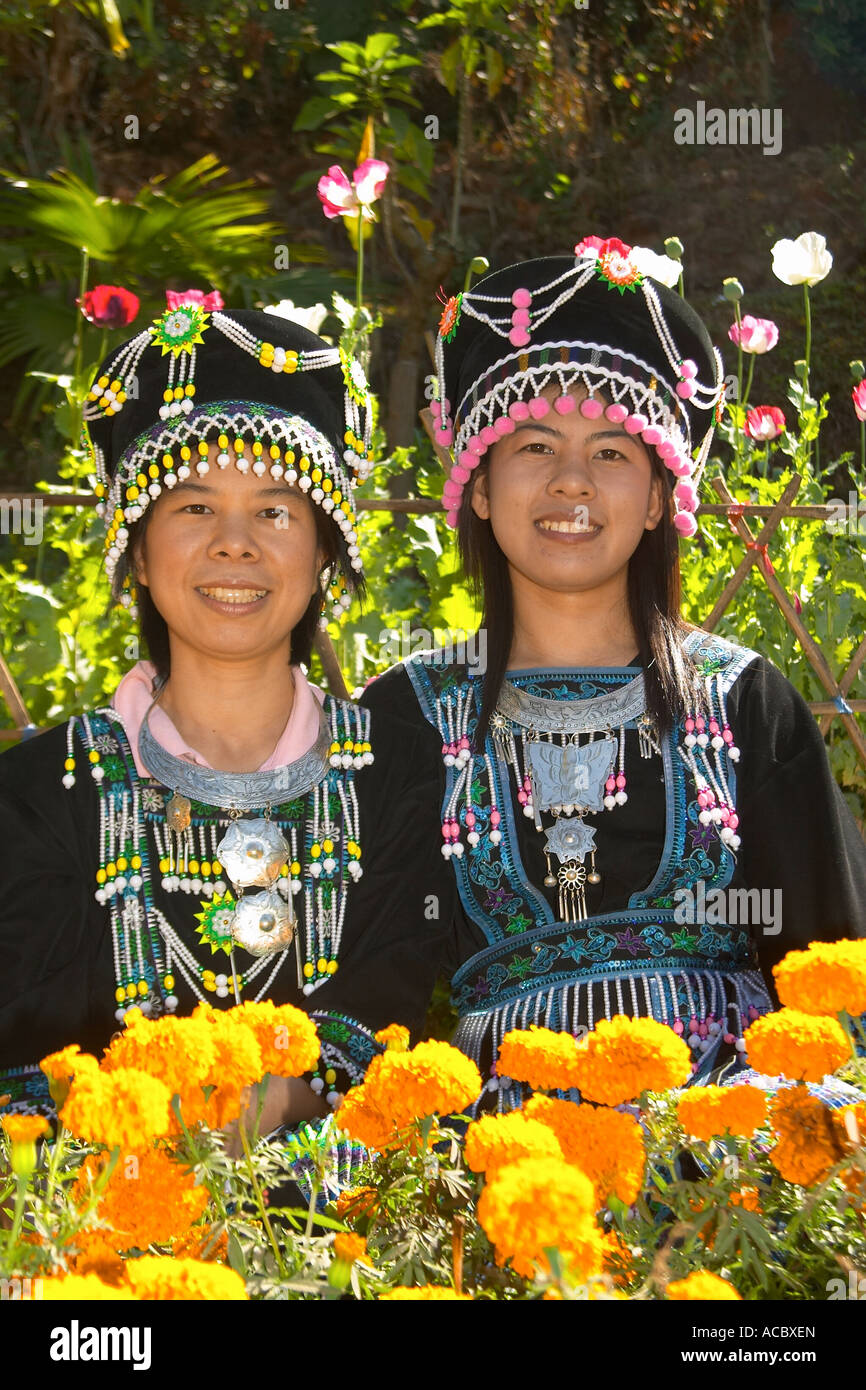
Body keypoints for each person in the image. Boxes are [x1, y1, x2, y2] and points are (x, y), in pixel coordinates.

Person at [362, 237, 866, 1110]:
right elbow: (366, 990)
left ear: (662, 496)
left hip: (727, 1146)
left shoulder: (745, 701)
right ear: (477, 486)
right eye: (533, 449)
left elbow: (833, 974)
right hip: (504, 1162)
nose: (570, 484)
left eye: (610, 453)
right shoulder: (407, 716)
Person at [0, 300, 451, 1160]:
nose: (235, 545)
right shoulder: (40, 794)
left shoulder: (396, 772)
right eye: (195, 509)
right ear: (137, 550)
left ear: (325, 551)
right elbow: (27, 1070)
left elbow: (383, 1031)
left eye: (276, 512)